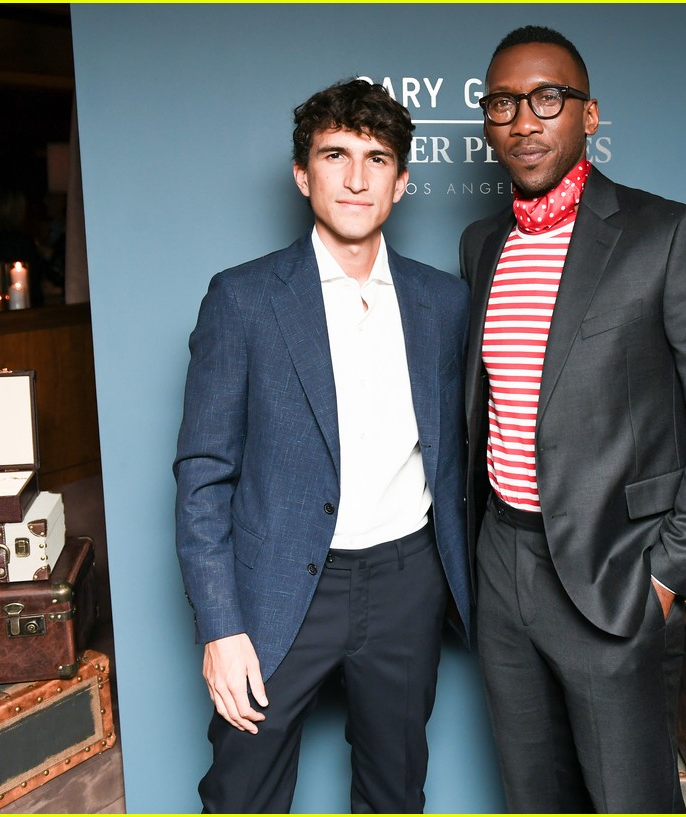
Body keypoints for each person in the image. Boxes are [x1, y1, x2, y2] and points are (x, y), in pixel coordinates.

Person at [460, 26, 686, 813]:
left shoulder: (668, 236)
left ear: (589, 114)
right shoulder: (482, 244)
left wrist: (665, 576)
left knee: (629, 798)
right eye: (503, 103)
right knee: (533, 796)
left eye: (547, 98)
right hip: (503, 563)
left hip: (612, 573)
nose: (524, 120)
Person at [173, 79, 471, 814]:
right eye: (335, 154)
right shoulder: (242, 299)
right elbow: (203, 476)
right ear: (304, 174)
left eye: (376, 159)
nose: (356, 176)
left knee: (395, 792)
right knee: (241, 791)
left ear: (401, 182)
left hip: (408, 579)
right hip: (279, 583)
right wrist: (221, 625)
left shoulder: (444, 302)